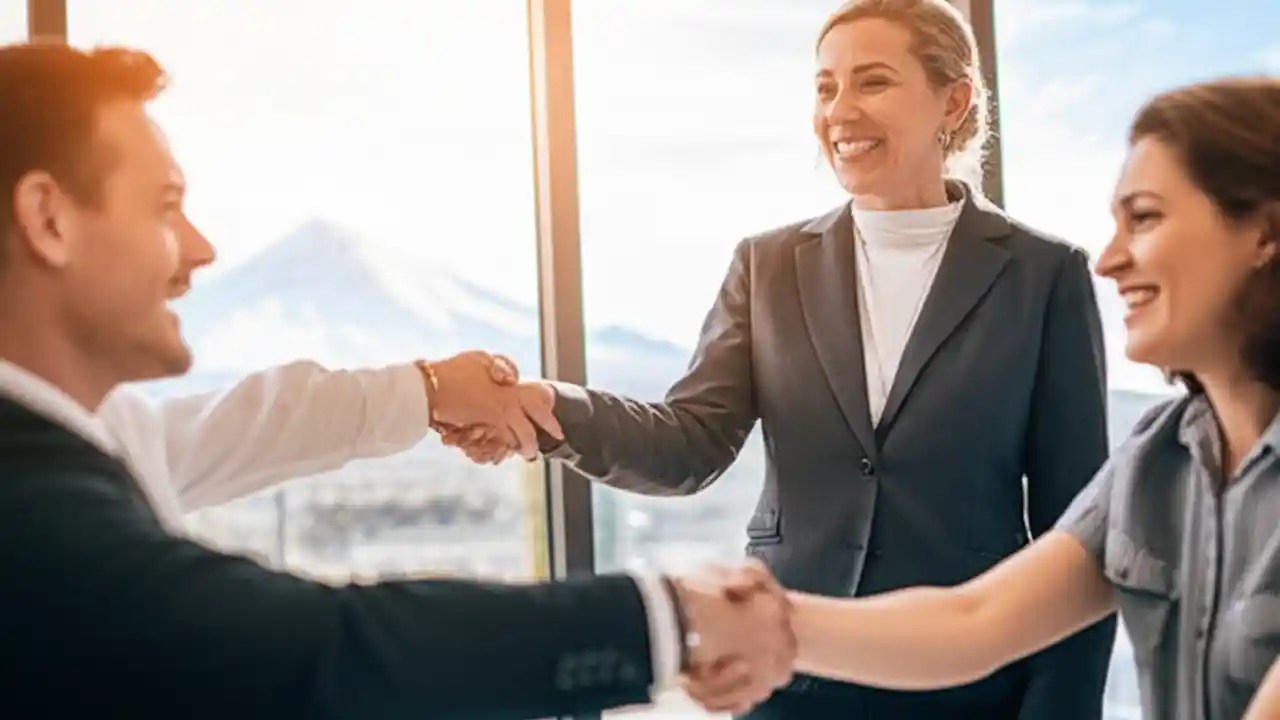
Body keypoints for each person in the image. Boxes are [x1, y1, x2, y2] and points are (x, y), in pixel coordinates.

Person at [0, 42, 795, 718]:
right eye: (165, 205)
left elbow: (234, 429)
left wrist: (425, 391)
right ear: (48, 219)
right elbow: (320, 651)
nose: (201, 249)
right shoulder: (29, 498)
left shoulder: (88, 434)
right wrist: (665, 621)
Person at [446, 1, 1115, 717]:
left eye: (873, 82)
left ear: (953, 101)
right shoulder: (768, 266)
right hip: (790, 677)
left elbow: (1077, 536)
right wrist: (555, 409)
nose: (841, 111)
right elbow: (689, 443)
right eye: (825, 88)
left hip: (967, 689)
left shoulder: (1043, 276)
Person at [707, 76, 1280, 720]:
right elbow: (973, 621)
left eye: (1144, 218)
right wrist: (748, 622)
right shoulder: (1157, 463)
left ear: (1264, 232)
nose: (1110, 260)